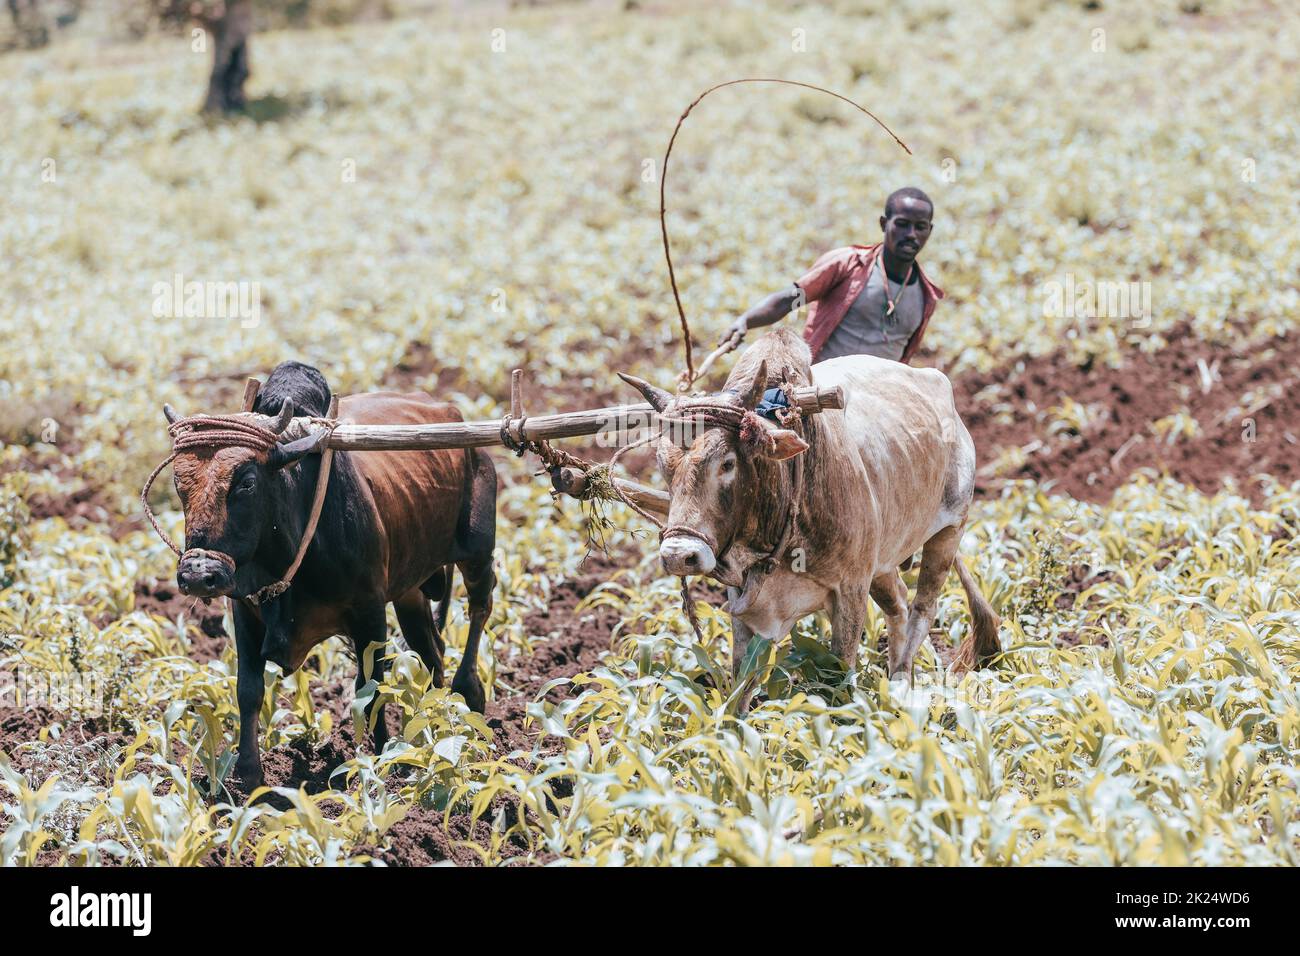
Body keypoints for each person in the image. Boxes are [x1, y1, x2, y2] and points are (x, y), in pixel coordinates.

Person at [721, 187, 944, 364]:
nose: (911, 235)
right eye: (902, 225)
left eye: (920, 227)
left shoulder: (927, 296)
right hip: (822, 389)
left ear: (930, 231)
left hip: (879, 398)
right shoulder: (847, 264)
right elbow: (790, 299)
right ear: (884, 224)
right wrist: (745, 321)